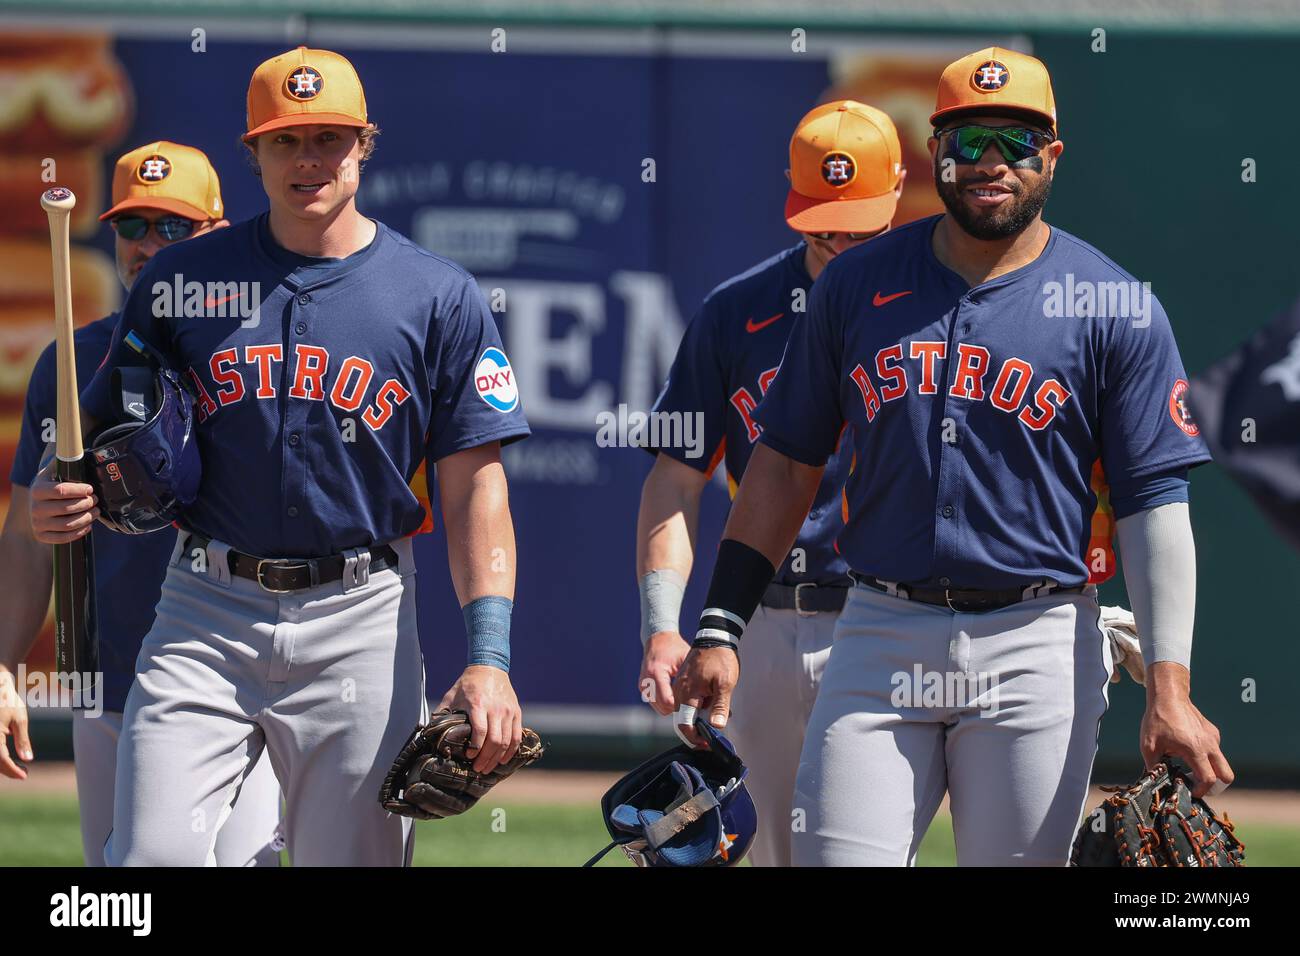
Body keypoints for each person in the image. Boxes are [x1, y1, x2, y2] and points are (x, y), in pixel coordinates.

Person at [670, 47, 1233, 866]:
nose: (991, 163)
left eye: (1017, 141)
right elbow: (784, 465)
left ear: (1054, 155)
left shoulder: (1114, 305)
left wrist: (1172, 691)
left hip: (1035, 637)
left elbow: (1155, 500)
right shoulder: (855, 285)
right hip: (880, 630)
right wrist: (721, 624)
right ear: (935, 151)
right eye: (968, 142)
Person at [29, 46, 530, 866]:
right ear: (253, 153)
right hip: (203, 609)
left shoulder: (437, 295)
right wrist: (63, 489)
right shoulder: (181, 280)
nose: (309, 160)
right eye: (286, 140)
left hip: (361, 617)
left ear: (365, 145)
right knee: (147, 862)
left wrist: (491, 660)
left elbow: (479, 491)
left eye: (329, 137)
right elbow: (100, 439)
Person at [635, 100, 904, 867]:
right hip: (758, 625)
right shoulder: (736, 313)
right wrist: (663, 625)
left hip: (886, 616)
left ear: (901, 192)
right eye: (825, 223)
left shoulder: (934, 304)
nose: (843, 241)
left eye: (862, 223)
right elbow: (673, 483)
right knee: (774, 854)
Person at [0, 141, 282, 866]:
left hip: (243, 671)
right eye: (132, 226)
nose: (149, 245)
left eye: (173, 226)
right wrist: (2, 667)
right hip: (114, 677)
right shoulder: (69, 361)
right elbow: (26, 541)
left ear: (216, 234)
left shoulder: (259, 351)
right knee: (125, 894)